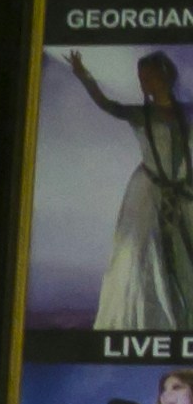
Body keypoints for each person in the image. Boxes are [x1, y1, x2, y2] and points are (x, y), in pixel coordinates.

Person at [68, 51, 193, 334]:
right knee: (144, 256)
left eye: (150, 77)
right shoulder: (139, 114)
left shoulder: (188, 112)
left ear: (165, 77)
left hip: (185, 192)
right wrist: (85, 78)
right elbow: (108, 106)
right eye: (142, 78)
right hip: (148, 193)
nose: (145, 83)